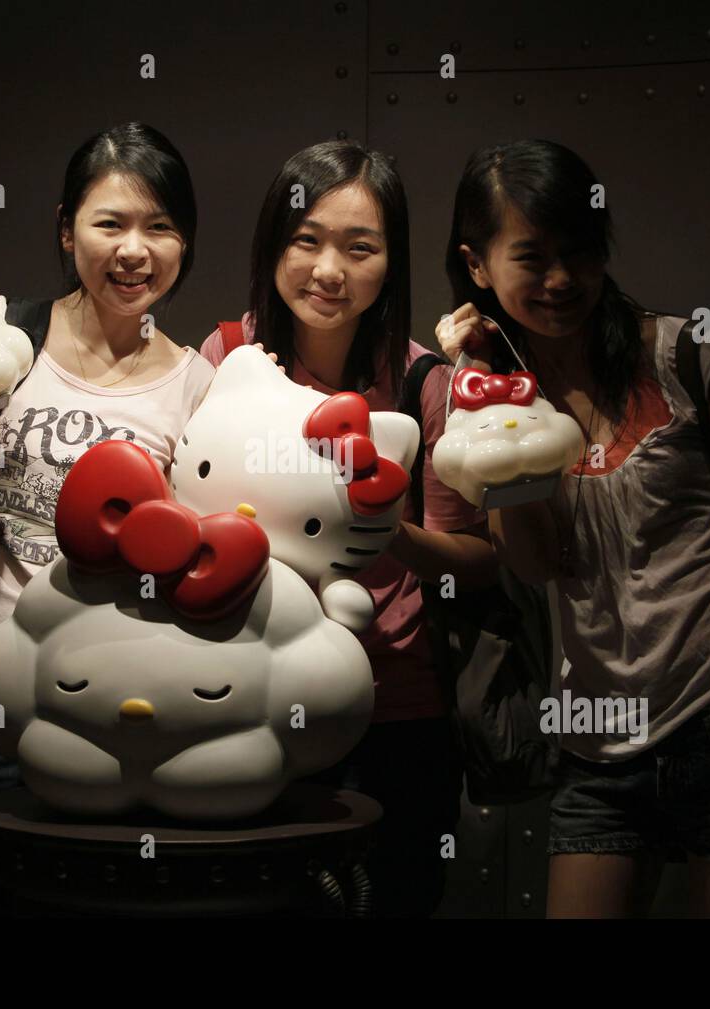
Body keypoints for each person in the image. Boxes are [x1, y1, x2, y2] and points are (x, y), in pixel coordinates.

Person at [436, 138, 710, 917]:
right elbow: (538, 564)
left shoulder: (684, 356)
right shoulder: (487, 405)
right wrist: (497, 405)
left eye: (581, 253)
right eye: (533, 257)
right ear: (477, 266)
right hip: (600, 739)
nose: (561, 280)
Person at [0, 122, 217, 915]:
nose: (133, 250)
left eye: (160, 227)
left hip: (108, 709)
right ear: (66, 229)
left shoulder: (199, 383)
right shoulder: (8, 337)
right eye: (110, 223)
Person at [199, 140, 500, 917]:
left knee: (396, 898)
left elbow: (476, 558)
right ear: (274, 245)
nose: (328, 270)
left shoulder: (423, 378)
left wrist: (379, 526)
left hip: (398, 705)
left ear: (390, 262)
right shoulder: (229, 355)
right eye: (307, 240)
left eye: (359, 247)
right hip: (252, 692)